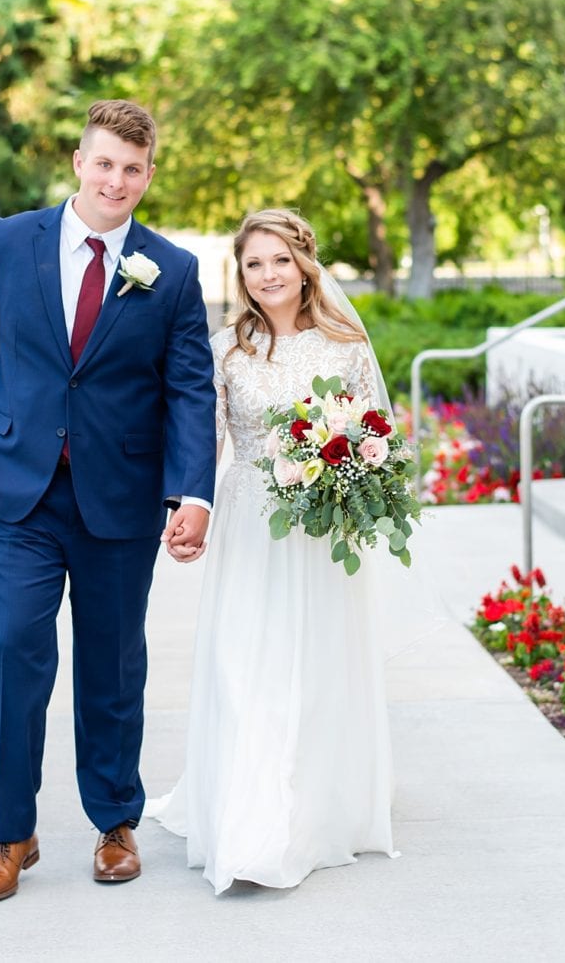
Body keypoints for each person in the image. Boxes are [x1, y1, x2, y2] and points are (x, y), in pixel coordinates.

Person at [0, 100, 217, 903]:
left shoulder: (172, 269)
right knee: (15, 653)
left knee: (113, 662)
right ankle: (11, 833)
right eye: (104, 164)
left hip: (120, 501)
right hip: (17, 498)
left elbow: (189, 390)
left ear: (149, 176)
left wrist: (191, 493)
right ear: (78, 162)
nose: (117, 181)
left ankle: (114, 822)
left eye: (133, 169)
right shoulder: (7, 242)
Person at [148, 207, 397, 894]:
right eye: (253, 264)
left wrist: (347, 480)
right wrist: (186, 508)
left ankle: (310, 809)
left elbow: (374, 433)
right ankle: (247, 820)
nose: (267, 275)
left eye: (279, 260)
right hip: (250, 519)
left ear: (304, 262)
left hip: (320, 531)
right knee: (243, 661)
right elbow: (205, 439)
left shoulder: (344, 344)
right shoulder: (225, 347)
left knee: (312, 662)